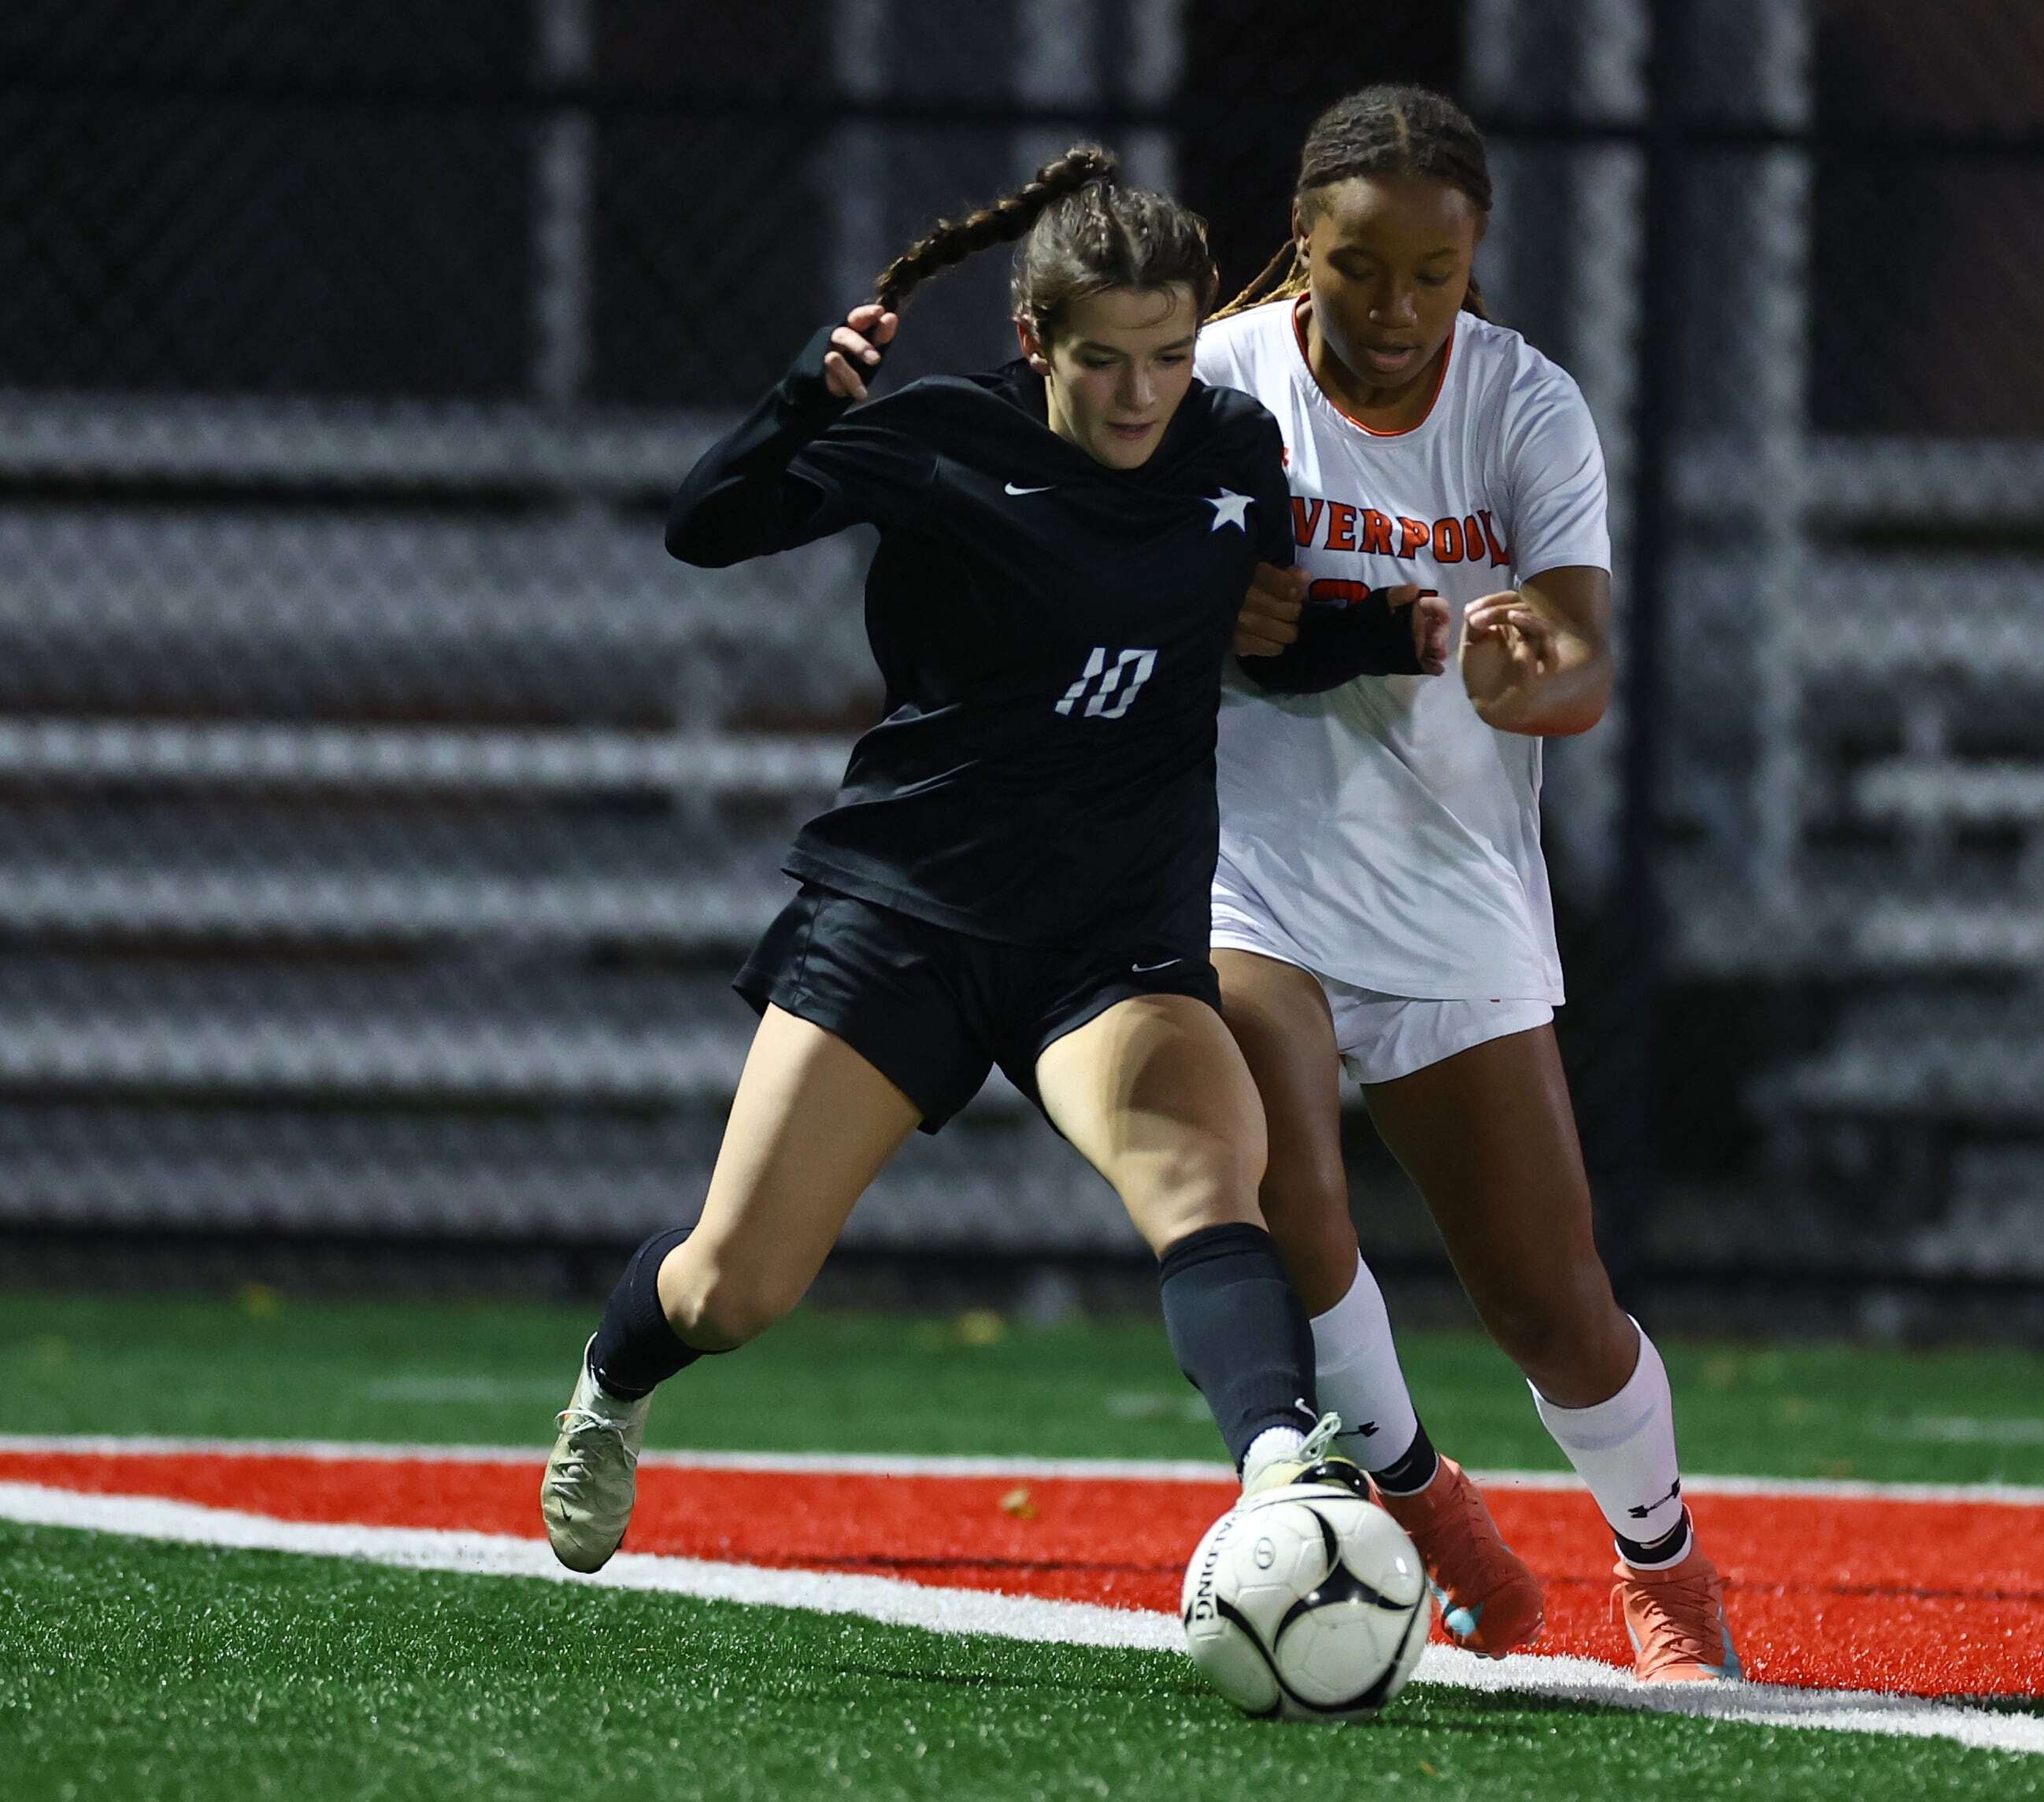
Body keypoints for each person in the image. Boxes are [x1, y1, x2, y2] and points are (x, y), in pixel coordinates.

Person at [539, 147, 1442, 1574]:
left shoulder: (1231, 450)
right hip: (913, 914)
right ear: (1035, 343)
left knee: (1211, 1183)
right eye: (1103, 363)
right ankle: (615, 1376)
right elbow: (705, 528)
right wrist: (802, 400)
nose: (1142, 394)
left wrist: (1390, 635)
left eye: (1165, 356)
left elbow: (1254, 645)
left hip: (1113, 931)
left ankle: (1284, 1477)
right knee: (735, 1285)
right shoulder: (945, 433)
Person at [1194, 85, 1739, 1681]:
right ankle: (1429, 1509)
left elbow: (1578, 659)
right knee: (1282, 1185)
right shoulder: (1220, 382)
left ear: (1472, 259)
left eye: (1432, 272)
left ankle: (1667, 1566)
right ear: (1304, 244)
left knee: (1552, 1305)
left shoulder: (1525, 405)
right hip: (1251, 876)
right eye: (1360, 269)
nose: (1395, 307)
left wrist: (1526, 675)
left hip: (1448, 899)